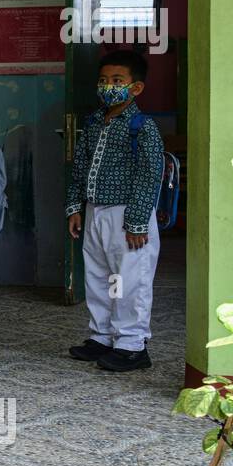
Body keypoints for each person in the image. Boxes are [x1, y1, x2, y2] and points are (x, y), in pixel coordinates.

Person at [66, 49, 164, 372]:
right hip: (95, 213)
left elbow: (150, 174)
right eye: (103, 80)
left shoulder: (142, 126)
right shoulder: (94, 122)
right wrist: (75, 207)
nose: (108, 86)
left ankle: (132, 344)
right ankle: (102, 335)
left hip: (127, 217)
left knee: (128, 280)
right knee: (99, 277)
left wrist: (137, 222)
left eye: (117, 80)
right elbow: (79, 166)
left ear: (135, 88)